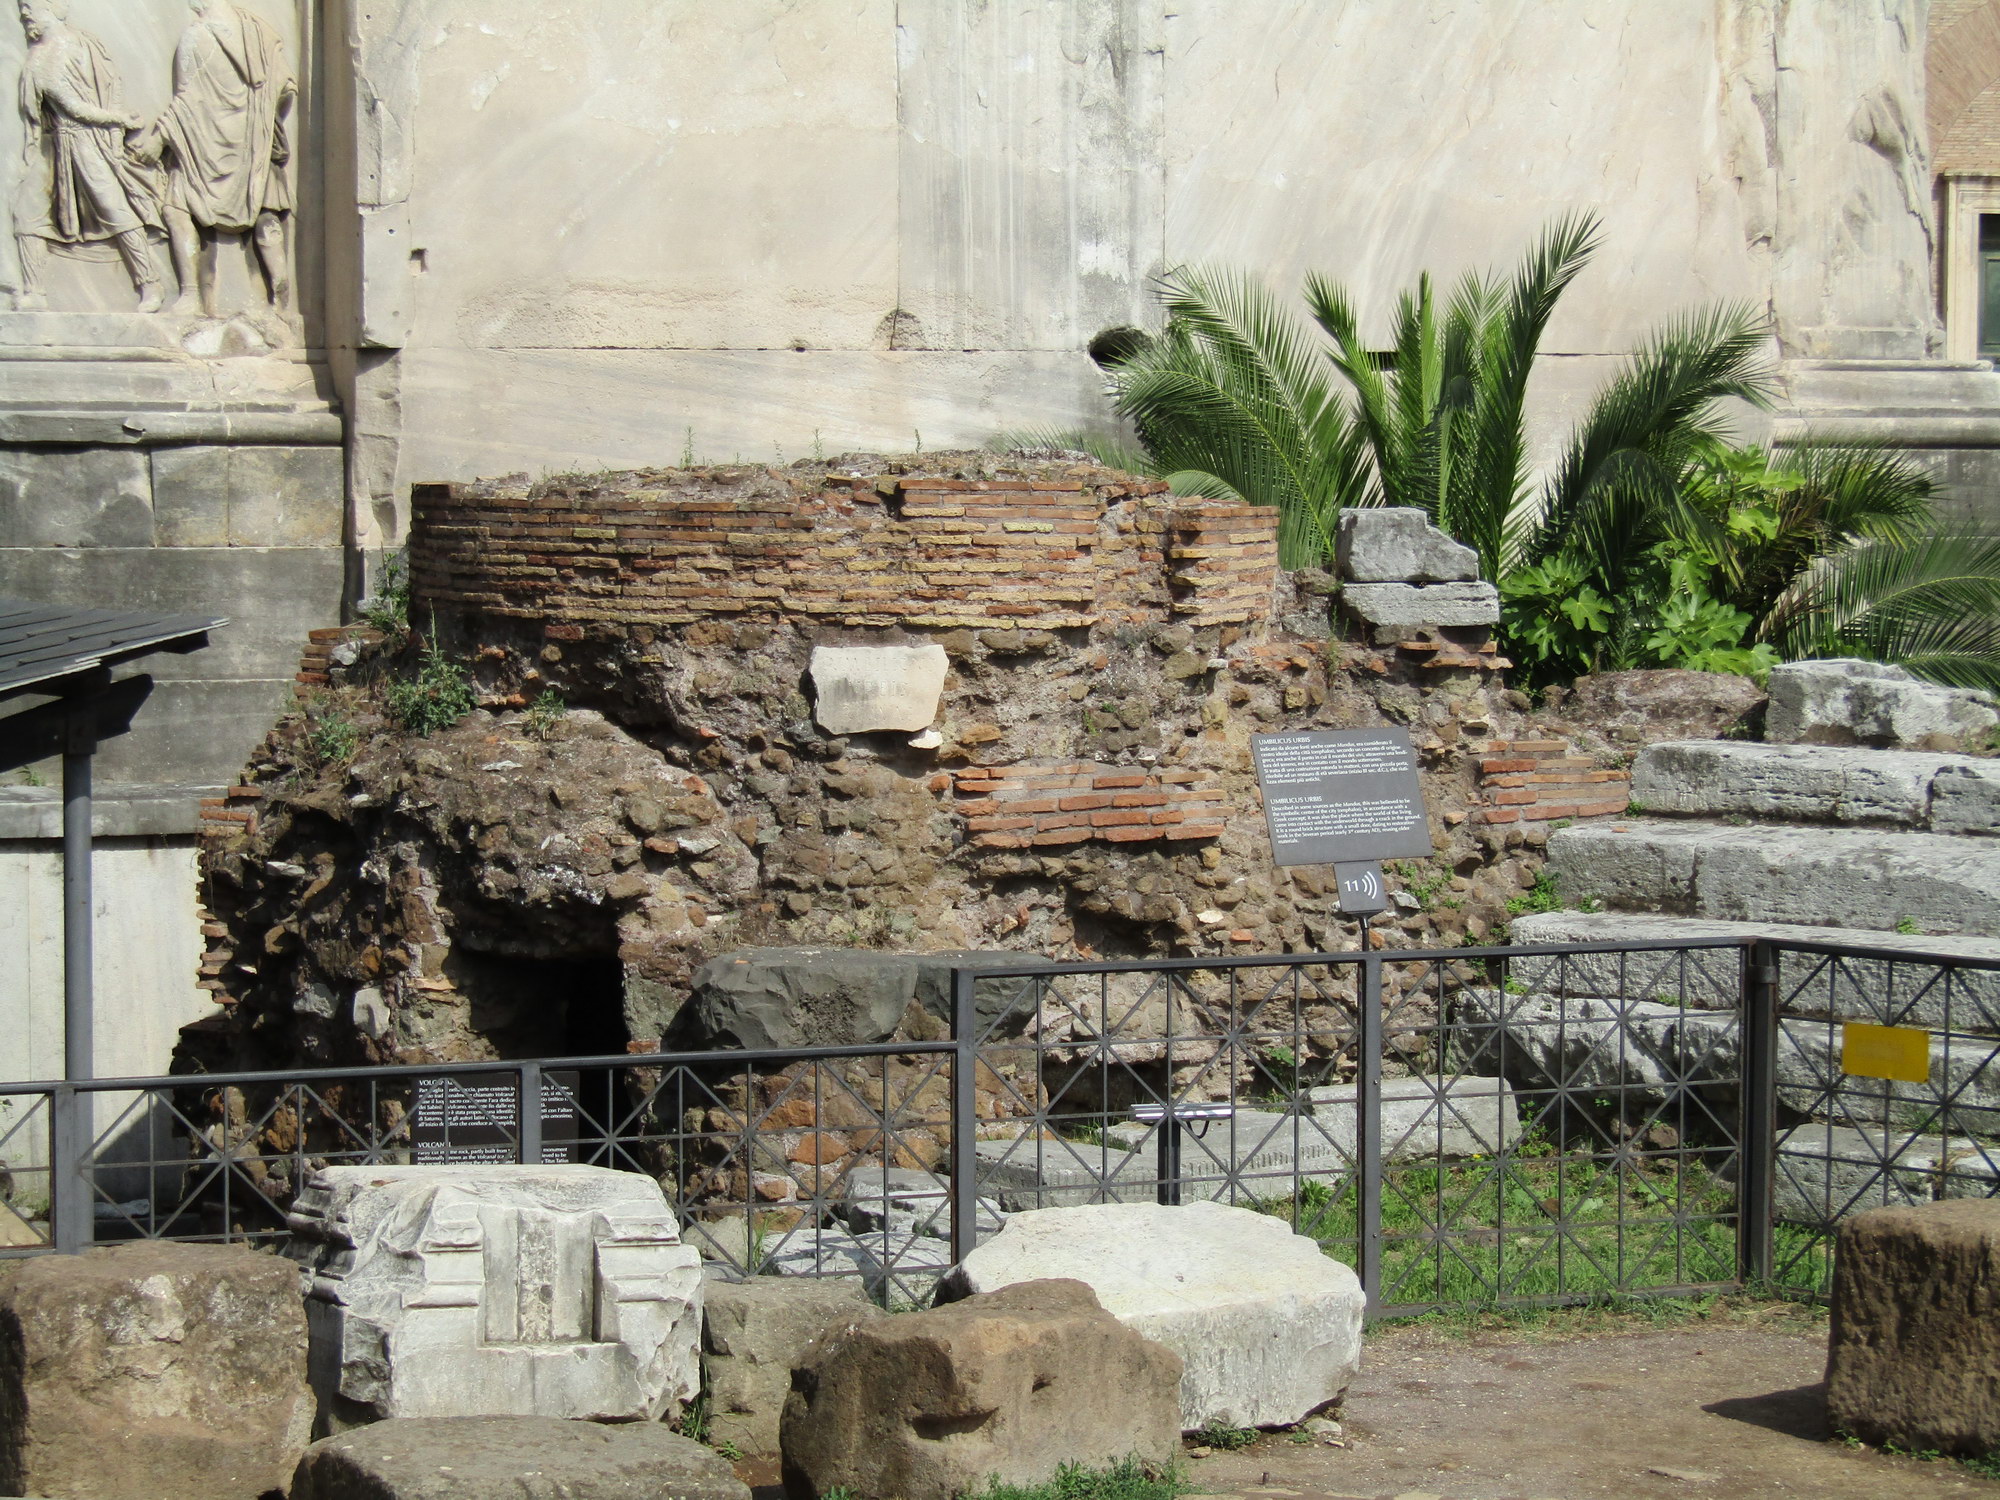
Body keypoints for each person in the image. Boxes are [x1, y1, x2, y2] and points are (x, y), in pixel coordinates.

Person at [130, 0, 295, 316]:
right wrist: (262, 118)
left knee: (176, 209)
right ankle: (280, 301)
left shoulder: (197, 35)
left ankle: (190, 296)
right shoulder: (259, 32)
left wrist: (157, 141)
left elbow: (187, 99)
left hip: (204, 144)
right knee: (266, 213)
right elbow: (286, 88)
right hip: (253, 143)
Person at [11, 0, 166, 312]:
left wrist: (115, 123)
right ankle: (35, 291)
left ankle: (150, 283)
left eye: (29, 5)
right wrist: (116, 118)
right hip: (52, 144)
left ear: (52, 8)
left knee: (114, 207)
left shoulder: (67, 48)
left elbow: (84, 98)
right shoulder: (44, 52)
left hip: (83, 141)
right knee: (28, 212)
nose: (24, 13)